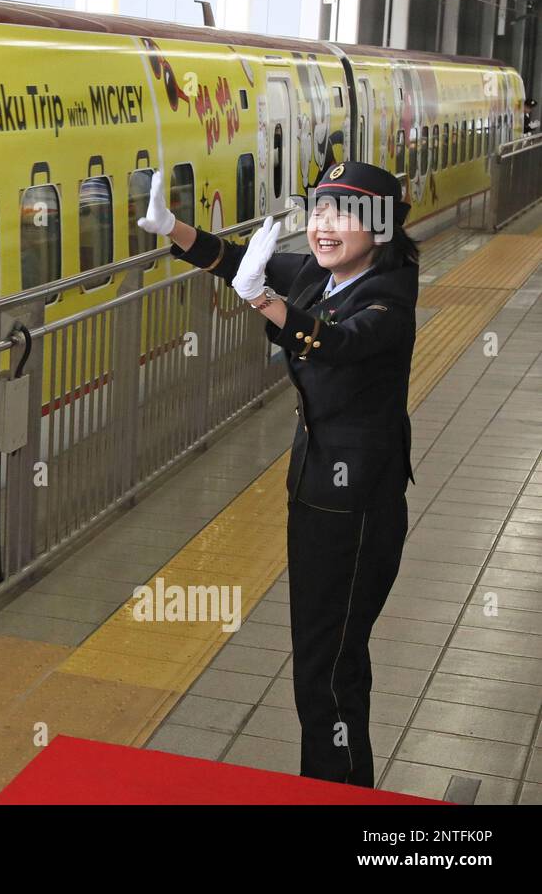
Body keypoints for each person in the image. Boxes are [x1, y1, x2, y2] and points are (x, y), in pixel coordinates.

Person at [138, 161, 419, 788]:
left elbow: (335, 344)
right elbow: (233, 258)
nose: (322, 227)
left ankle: (341, 790)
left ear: (381, 228)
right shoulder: (329, 274)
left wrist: (262, 300)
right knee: (320, 659)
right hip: (320, 491)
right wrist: (173, 228)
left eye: (343, 214)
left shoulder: (387, 303)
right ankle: (328, 785)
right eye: (318, 210)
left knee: (330, 665)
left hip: (355, 506)